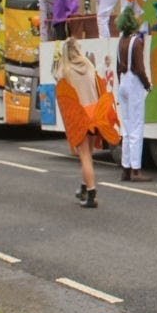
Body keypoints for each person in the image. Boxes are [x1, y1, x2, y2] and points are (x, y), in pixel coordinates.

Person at [53, 37, 120, 208]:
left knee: (84, 157)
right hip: (94, 114)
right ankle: (84, 188)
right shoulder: (89, 67)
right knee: (88, 155)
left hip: (80, 116)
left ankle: (91, 193)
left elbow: (57, 80)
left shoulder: (65, 70)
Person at [114, 7, 152, 182]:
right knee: (137, 127)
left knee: (127, 128)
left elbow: (116, 68)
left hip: (122, 82)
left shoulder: (120, 42)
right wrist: (148, 85)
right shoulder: (136, 42)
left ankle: (125, 168)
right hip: (134, 83)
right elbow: (139, 68)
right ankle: (136, 170)